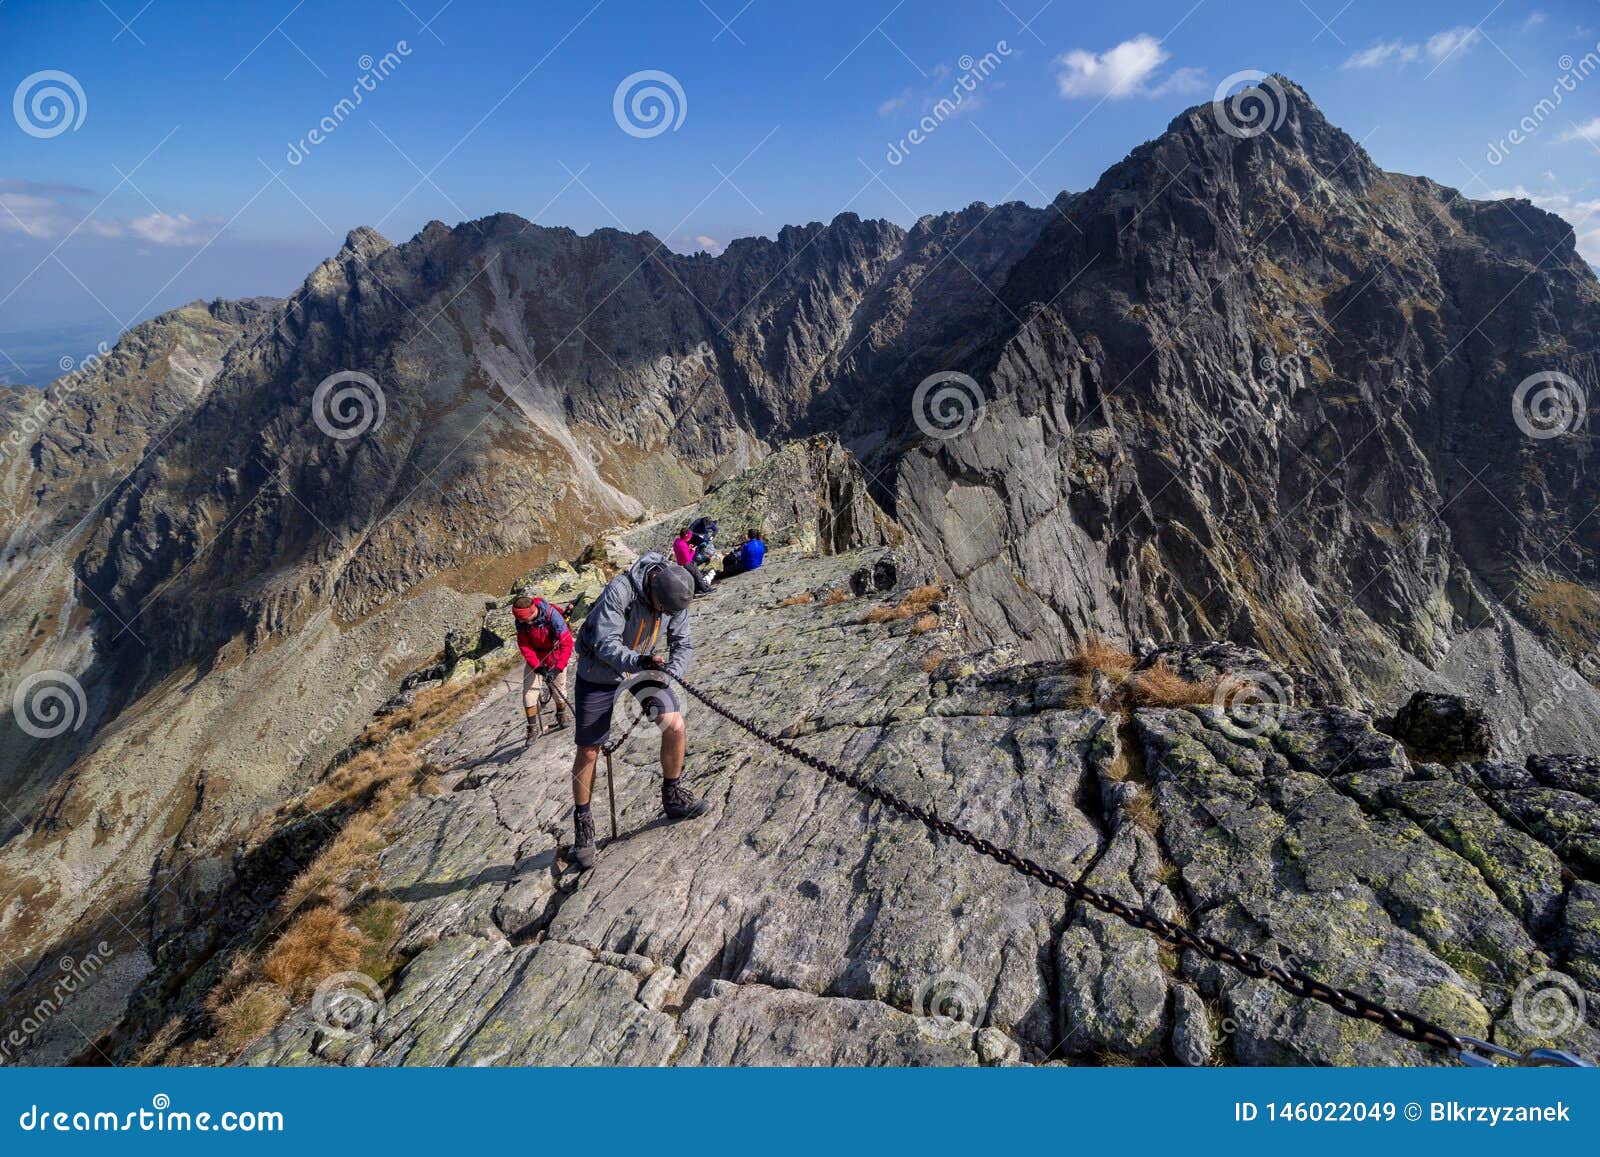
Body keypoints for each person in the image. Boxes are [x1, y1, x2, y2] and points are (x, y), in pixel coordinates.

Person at [567, 553, 710, 869]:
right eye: (664, 610)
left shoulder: (675, 597)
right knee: (589, 750)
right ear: (653, 589)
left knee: (675, 725)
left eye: (671, 612)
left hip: (644, 666)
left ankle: (673, 795)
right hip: (599, 670)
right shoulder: (621, 590)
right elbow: (605, 643)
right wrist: (639, 662)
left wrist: (670, 671)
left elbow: (682, 644)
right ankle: (583, 822)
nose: (666, 615)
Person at [513, 594, 573, 743]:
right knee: (529, 694)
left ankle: (561, 713)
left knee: (559, 691)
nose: (519, 621)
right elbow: (525, 645)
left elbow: (567, 643)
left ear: (531, 613)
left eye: (521, 618)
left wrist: (558, 668)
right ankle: (532, 728)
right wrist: (537, 667)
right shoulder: (522, 622)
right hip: (537, 659)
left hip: (556, 655)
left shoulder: (553, 617)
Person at [673, 525, 714, 594]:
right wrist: (693, 550)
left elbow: (680, 551)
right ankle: (705, 589)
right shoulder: (683, 545)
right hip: (687, 563)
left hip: (680, 562)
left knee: (693, 577)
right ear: (686, 537)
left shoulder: (677, 541)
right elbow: (688, 558)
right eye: (689, 536)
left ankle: (697, 590)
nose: (690, 537)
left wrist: (688, 548)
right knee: (698, 575)